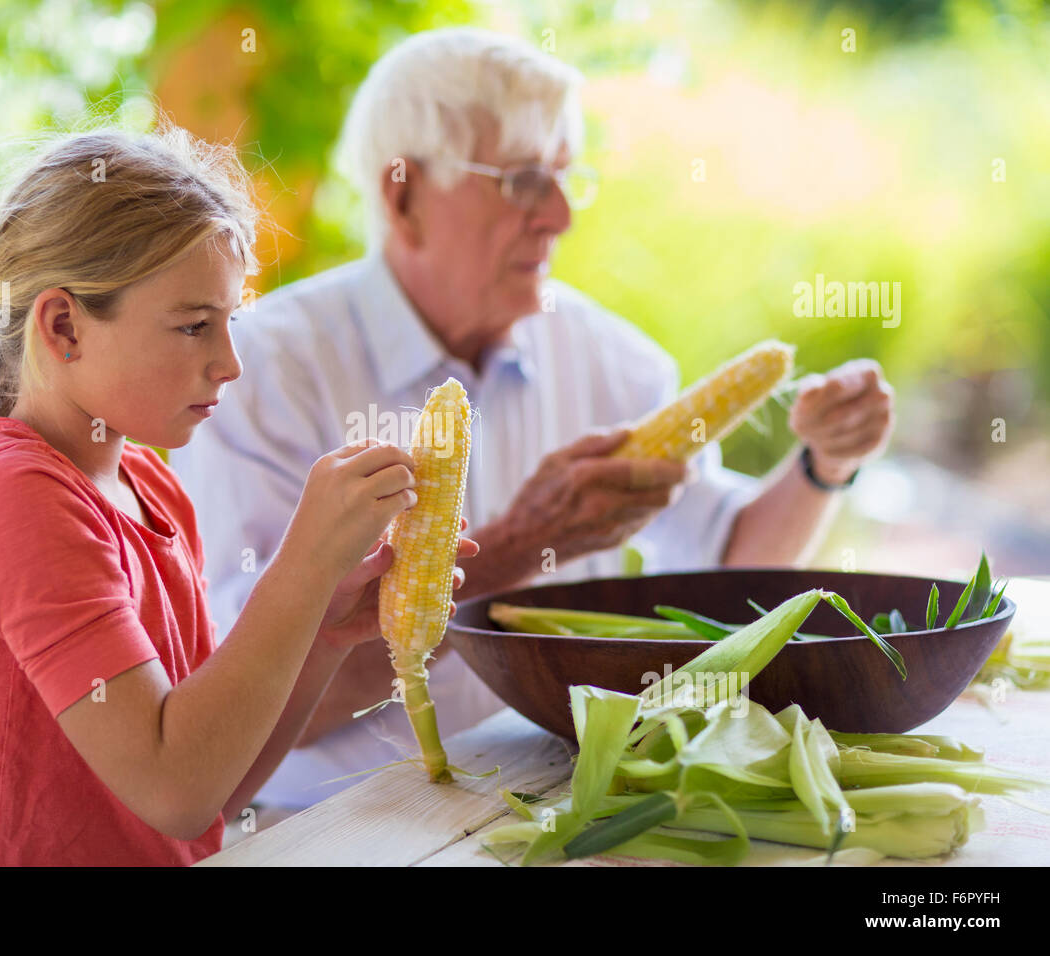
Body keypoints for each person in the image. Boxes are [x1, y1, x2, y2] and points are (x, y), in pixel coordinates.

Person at [173, 28, 895, 813]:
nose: (558, 216)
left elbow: (732, 557)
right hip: (343, 824)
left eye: (563, 178)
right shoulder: (259, 373)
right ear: (403, 191)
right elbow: (267, 709)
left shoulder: (616, 360)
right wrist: (517, 545)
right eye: (520, 180)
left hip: (572, 806)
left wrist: (824, 463)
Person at [0, 124, 476, 865]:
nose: (230, 364)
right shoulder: (11, 494)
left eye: (231, 322)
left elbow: (211, 787)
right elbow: (174, 787)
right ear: (64, 326)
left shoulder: (151, 489)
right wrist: (303, 565)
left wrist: (325, 633)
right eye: (194, 326)